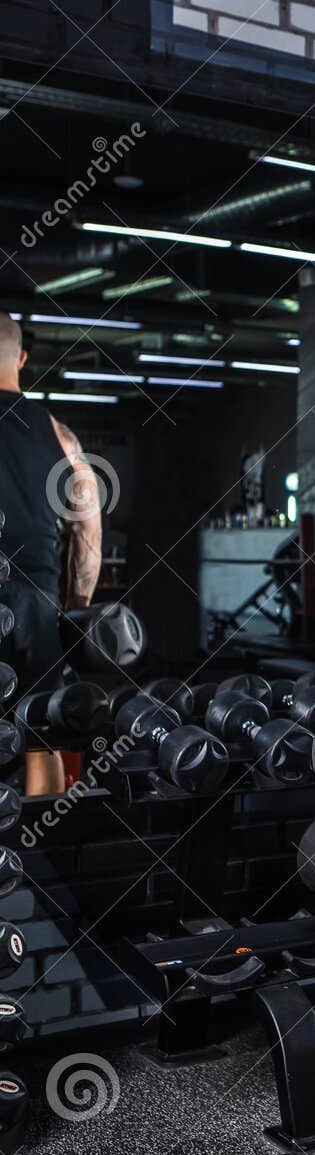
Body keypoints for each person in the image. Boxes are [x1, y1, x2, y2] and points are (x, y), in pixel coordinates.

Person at [0, 313, 102, 795]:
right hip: (36, 605)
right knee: (41, 732)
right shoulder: (57, 433)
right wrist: (75, 609)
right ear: (21, 358)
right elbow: (88, 529)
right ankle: (44, 846)